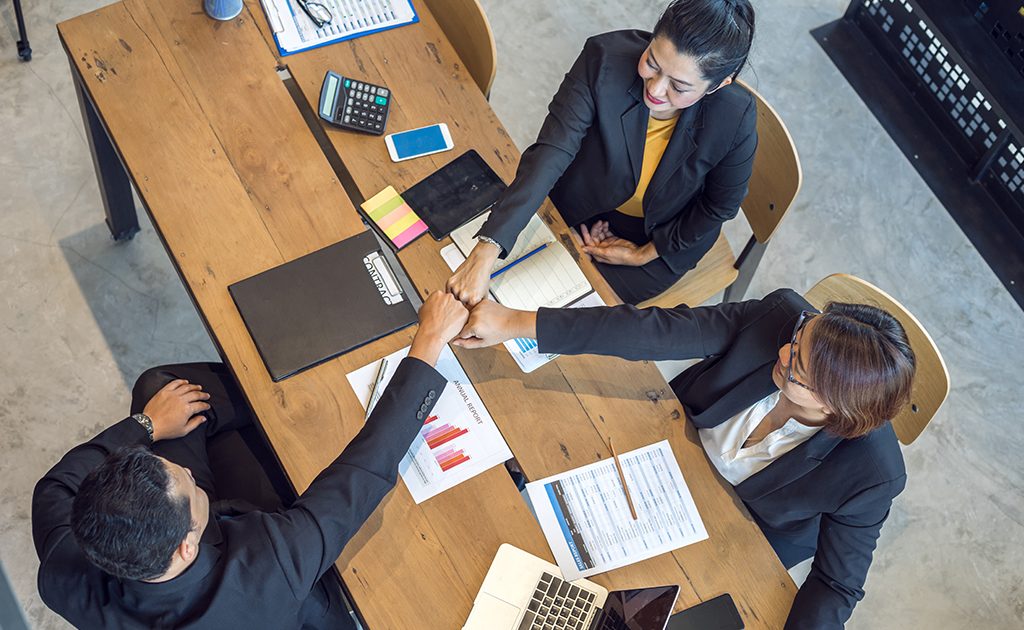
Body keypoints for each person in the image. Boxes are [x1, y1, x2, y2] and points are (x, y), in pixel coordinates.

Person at [453, 289, 916, 630]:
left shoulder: (873, 474)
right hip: (659, 457)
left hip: (731, 535)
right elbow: (652, 330)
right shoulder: (778, 316)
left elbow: (836, 585)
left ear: (835, 407)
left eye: (797, 366)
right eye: (799, 337)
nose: (782, 352)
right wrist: (516, 321)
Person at [32, 291, 469, 630]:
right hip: (279, 595)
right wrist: (429, 339)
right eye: (185, 483)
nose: (183, 470)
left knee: (158, 385)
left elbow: (53, 486)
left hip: (209, 538)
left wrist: (147, 426)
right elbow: (362, 473)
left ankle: (275, 395)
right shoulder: (265, 570)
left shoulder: (62, 570)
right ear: (188, 544)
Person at [447, 0, 758, 305]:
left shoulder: (735, 117)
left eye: (678, 86)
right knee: (498, 282)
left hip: (662, 236)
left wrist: (643, 254)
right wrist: (488, 246)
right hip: (583, 203)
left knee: (563, 311)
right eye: (652, 62)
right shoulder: (604, 58)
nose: (655, 88)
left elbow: (718, 207)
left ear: (717, 86)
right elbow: (552, 152)